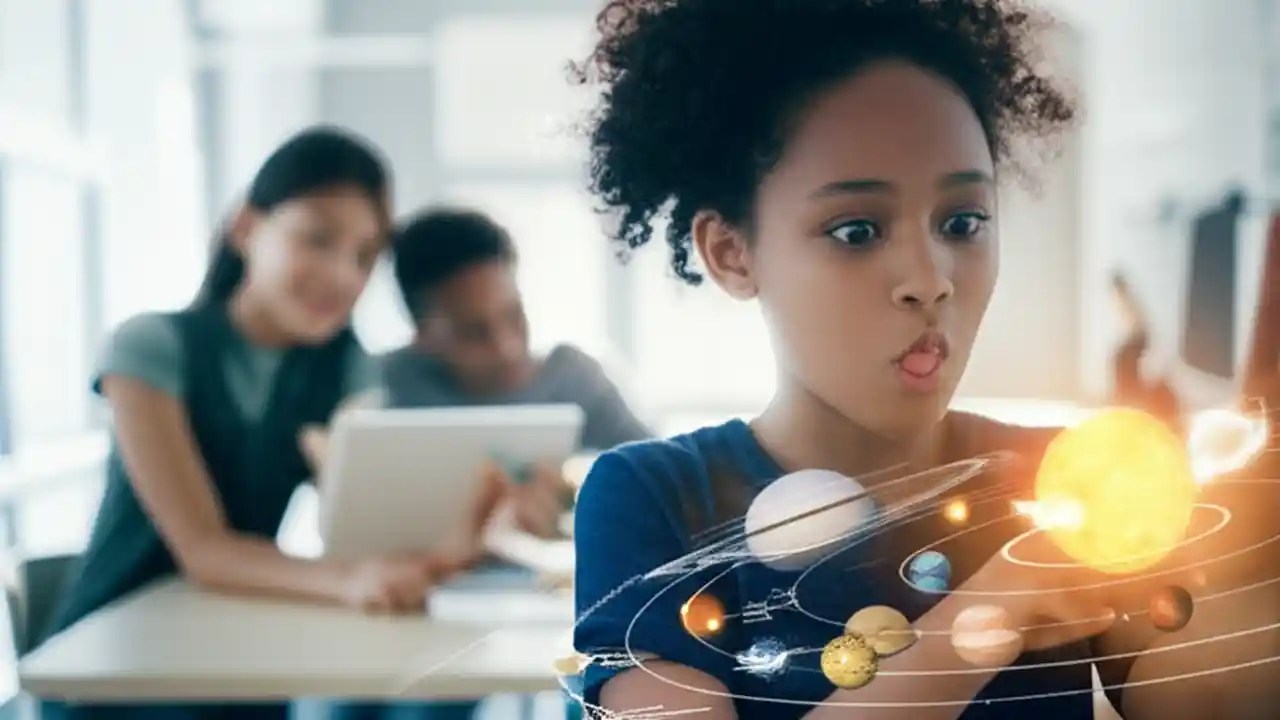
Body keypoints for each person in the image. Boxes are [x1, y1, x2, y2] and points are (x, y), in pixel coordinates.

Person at [569, 1, 1171, 718]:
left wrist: (1257, 549)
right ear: (731, 252)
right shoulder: (652, 500)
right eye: (856, 230)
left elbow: (1211, 699)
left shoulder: (1071, 482)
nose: (931, 277)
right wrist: (988, 617)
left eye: (963, 222)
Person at [42, 127, 450, 720]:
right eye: (318, 238)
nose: (343, 275)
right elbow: (204, 551)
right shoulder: (148, 346)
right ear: (245, 228)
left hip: (245, 660)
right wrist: (352, 578)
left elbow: (373, 532)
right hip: (114, 671)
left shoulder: (346, 365)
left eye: (364, 255)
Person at [331, 207, 652, 720]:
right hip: (427, 599)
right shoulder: (387, 385)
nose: (506, 346)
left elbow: (657, 484)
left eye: (514, 316)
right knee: (361, 699)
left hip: (548, 599)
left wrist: (574, 495)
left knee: (601, 684)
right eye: (473, 331)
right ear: (421, 333)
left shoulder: (574, 377)